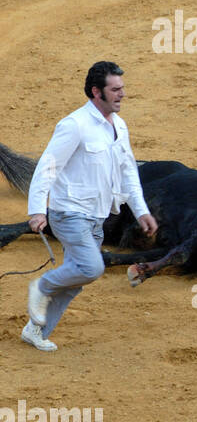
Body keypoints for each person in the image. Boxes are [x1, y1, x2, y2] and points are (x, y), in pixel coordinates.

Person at [23, 62, 158, 351]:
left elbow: (128, 172)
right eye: (115, 89)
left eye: (122, 88)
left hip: (97, 217)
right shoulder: (74, 125)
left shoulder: (119, 126)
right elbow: (47, 167)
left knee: (75, 279)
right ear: (97, 92)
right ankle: (42, 287)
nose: (122, 94)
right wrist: (37, 209)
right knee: (91, 267)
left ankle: (36, 330)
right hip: (69, 213)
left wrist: (141, 210)